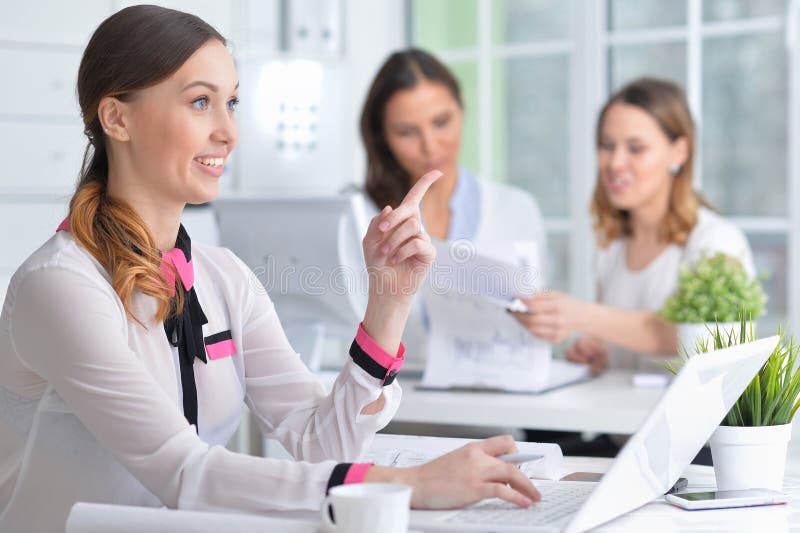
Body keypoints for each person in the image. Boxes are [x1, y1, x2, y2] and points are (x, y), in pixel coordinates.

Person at [0, 7, 540, 532]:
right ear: (117, 117)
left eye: (230, 102)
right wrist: (409, 484)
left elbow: (321, 444)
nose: (228, 132)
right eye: (199, 102)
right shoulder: (60, 286)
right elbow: (183, 472)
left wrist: (389, 301)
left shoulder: (223, 277)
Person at [511, 78, 755, 373]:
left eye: (636, 148)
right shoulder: (611, 249)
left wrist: (581, 315)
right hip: (623, 419)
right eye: (606, 145)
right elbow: (616, 339)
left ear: (679, 152)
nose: (615, 163)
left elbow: (703, 336)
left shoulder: (715, 241)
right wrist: (597, 353)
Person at [360, 48, 547, 367]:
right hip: (395, 407)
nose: (430, 146)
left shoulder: (516, 209)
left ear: (462, 111)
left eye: (442, 122)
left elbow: (534, 324)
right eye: (407, 132)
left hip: (497, 404)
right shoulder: (363, 218)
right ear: (382, 138)